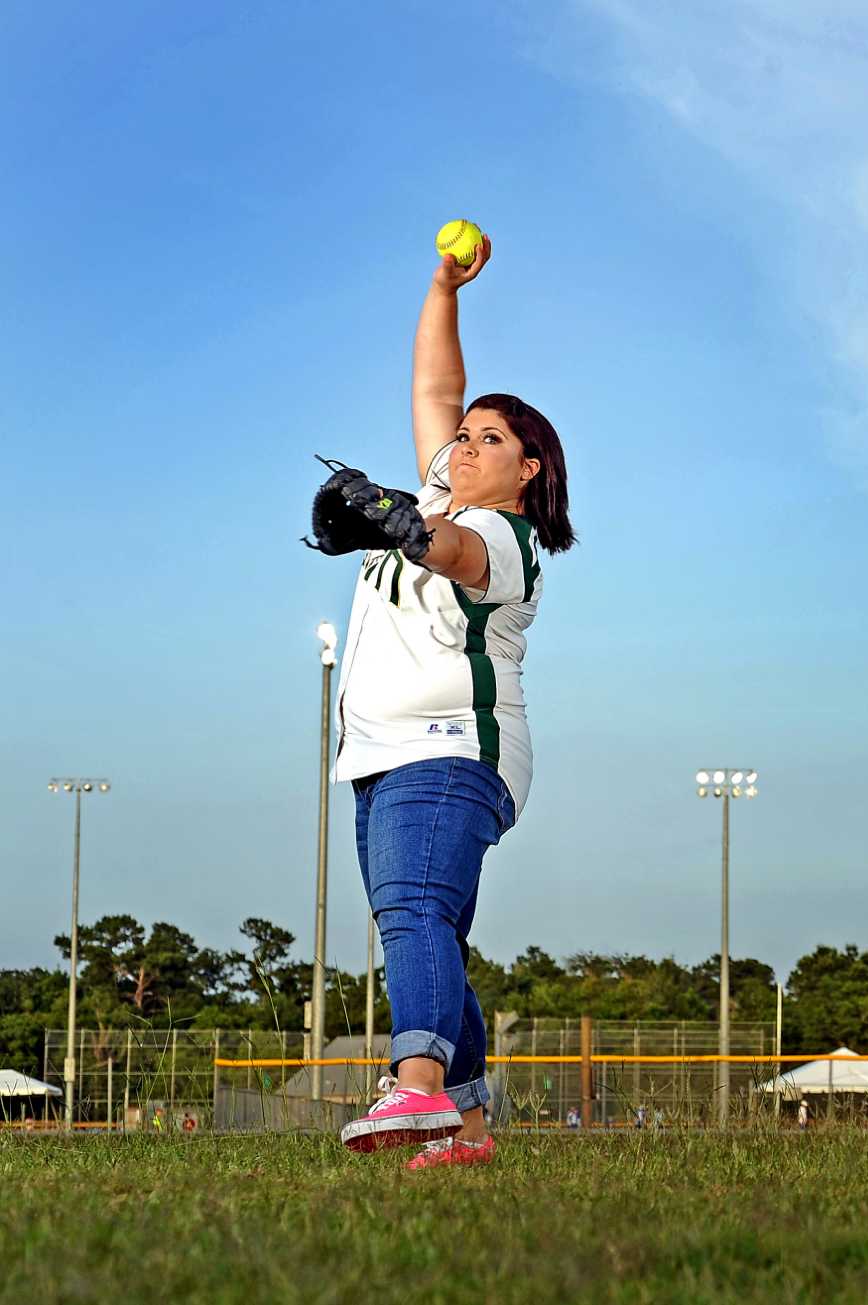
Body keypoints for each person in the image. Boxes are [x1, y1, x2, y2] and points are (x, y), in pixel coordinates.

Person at [330, 232, 577, 1172]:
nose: (465, 443)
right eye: (465, 436)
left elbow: (460, 557)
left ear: (529, 472)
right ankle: (470, 1134)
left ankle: (420, 1086)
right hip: (381, 753)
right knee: (425, 922)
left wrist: (412, 531)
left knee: (413, 906)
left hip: (454, 747)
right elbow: (437, 388)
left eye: (491, 439)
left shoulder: (503, 535)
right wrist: (442, 286)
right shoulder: (444, 488)